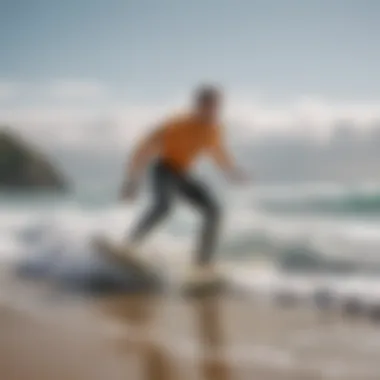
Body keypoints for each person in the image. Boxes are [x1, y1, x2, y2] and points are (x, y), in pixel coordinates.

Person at [120, 85, 248, 281]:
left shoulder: (214, 129)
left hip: (183, 173)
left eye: (216, 106)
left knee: (214, 210)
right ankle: (130, 246)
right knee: (164, 206)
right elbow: (144, 147)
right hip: (164, 169)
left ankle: (203, 264)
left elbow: (219, 152)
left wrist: (231, 172)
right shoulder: (177, 124)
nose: (213, 111)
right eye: (209, 106)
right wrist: (132, 180)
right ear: (198, 105)